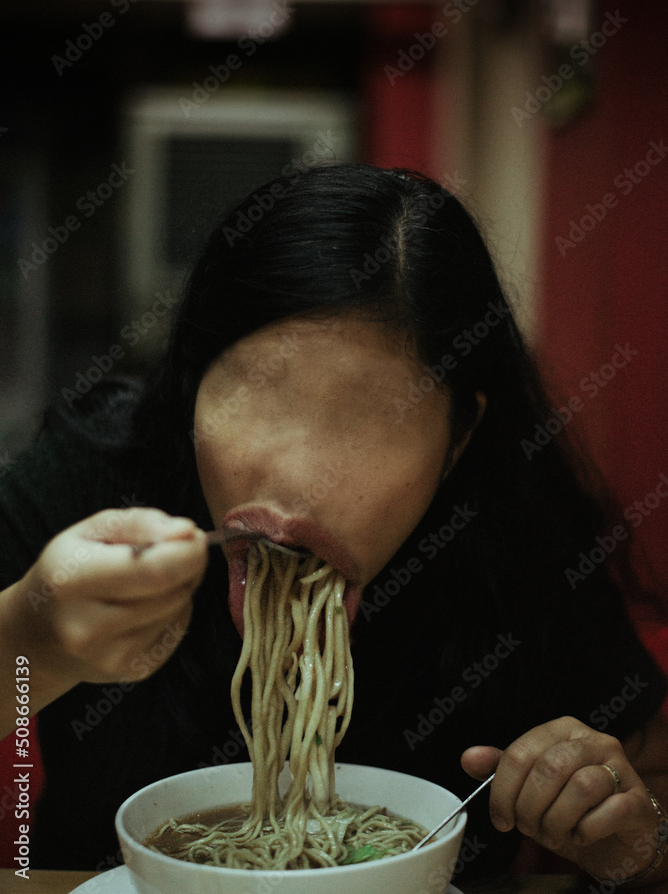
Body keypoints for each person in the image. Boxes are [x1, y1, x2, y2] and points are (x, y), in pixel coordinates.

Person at [0, 163, 667, 885]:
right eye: (258, 393)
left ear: (459, 439)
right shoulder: (96, 476)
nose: (297, 475)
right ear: (193, 379)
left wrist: (630, 842)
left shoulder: (519, 541)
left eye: (368, 418)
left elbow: (648, 796)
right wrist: (29, 640)